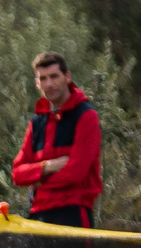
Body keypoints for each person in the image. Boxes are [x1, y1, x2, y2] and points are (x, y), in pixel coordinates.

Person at [10, 51, 103, 229]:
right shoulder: (37, 123)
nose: (49, 84)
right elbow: (17, 174)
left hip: (74, 213)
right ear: (37, 84)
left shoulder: (86, 116)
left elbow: (76, 173)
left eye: (54, 76)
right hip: (38, 217)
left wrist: (38, 180)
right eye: (43, 79)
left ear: (67, 77)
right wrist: (47, 166)